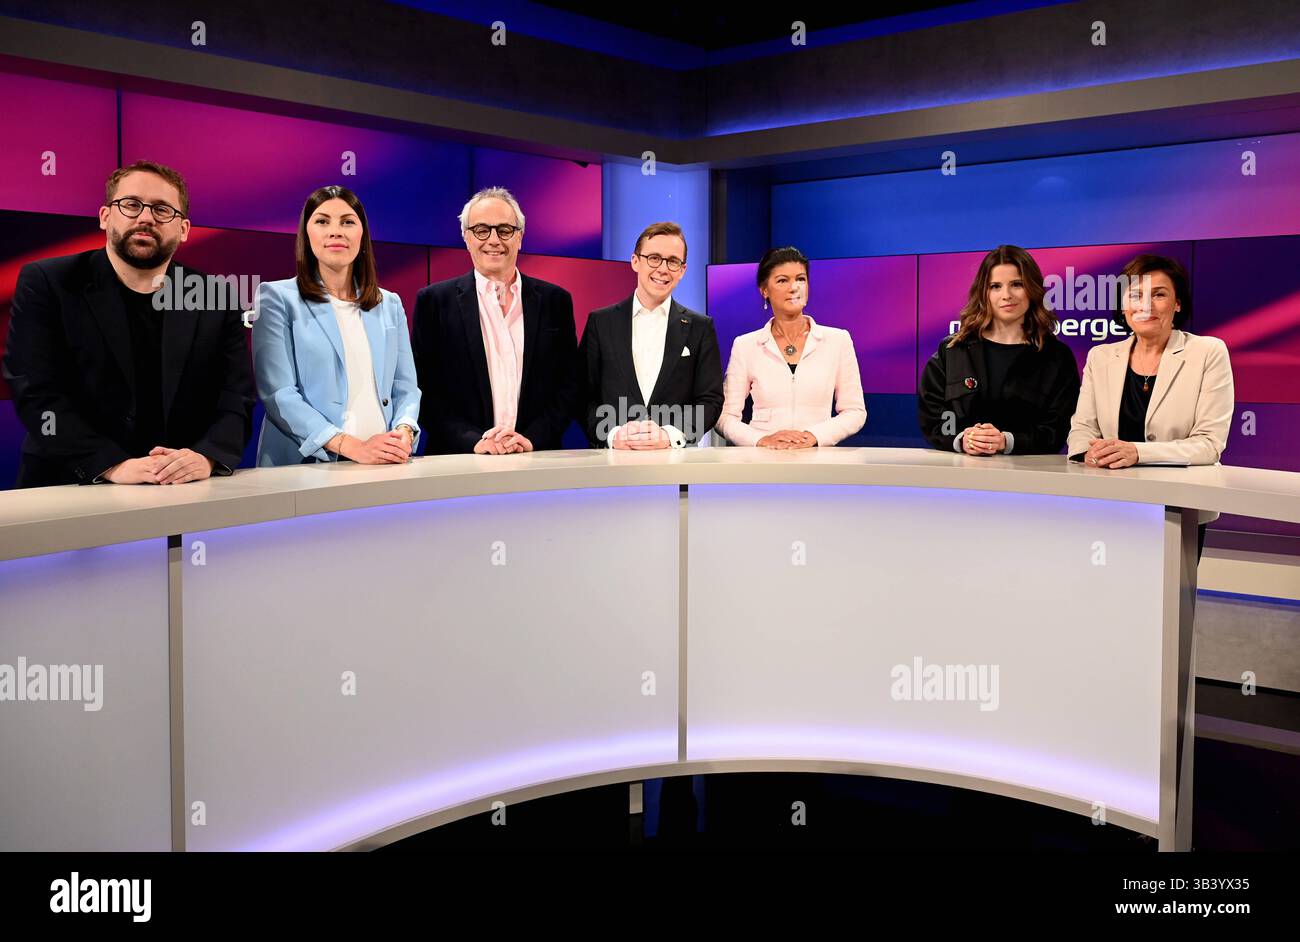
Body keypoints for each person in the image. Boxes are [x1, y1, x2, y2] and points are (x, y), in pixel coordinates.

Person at [2, 160, 254, 487]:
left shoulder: (214, 295)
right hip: (68, 485)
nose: (146, 217)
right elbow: (35, 392)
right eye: (131, 205)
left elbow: (235, 396)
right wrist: (111, 465)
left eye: (162, 209)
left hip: (181, 487)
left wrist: (206, 456)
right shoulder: (48, 282)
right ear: (105, 216)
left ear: (184, 229)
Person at [1067, 253, 1234, 555]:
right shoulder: (1100, 357)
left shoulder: (1208, 352)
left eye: (1158, 295)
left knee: (1167, 587)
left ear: (1177, 303)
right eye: (1135, 295)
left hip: (1178, 505)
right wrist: (1088, 453)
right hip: (1110, 502)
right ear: (1123, 305)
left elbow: (1209, 444)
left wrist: (1137, 453)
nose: (1145, 306)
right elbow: (1081, 430)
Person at [251, 186, 420, 466]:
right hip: (304, 469)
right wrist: (352, 447)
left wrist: (404, 429)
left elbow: (406, 386)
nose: (335, 231)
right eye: (322, 221)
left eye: (347, 222)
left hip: (383, 466)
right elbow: (278, 394)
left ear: (362, 234)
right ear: (307, 234)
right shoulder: (277, 297)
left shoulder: (389, 303)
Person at [412, 186, 578, 455]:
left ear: (519, 237)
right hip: (459, 459)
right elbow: (424, 389)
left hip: (537, 457)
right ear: (466, 237)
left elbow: (569, 385)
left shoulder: (555, 301)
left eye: (504, 230)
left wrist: (531, 439)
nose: (493, 240)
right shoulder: (434, 302)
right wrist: (473, 441)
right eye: (481, 230)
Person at [917, 244, 1080, 454]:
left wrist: (1006, 441)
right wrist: (963, 440)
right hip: (961, 470)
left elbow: (1057, 430)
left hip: (1029, 471)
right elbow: (932, 419)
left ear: (1032, 289)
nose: (1006, 295)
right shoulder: (952, 351)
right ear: (983, 293)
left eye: (1017, 284)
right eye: (995, 286)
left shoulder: (1057, 357)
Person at [579, 222, 722, 449]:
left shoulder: (700, 327)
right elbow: (582, 395)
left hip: (675, 461)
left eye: (673, 261)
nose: (663, 269)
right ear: (635, 261)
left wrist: (669, 435)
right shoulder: (601, 322)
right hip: (612, 460)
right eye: (654, 258)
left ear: (682, 270)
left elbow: (710, 400)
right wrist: (613, 435)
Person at [716, 246, 865, 448]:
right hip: (763, 458)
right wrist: (760, 439)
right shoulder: (746, 346)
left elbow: (855, 411)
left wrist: (814, 436)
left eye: (800, 279)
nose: (794, 287)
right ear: (764, 290)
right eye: (782, 280)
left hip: (817, 457)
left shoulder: (838, 341)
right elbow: (725, 417)